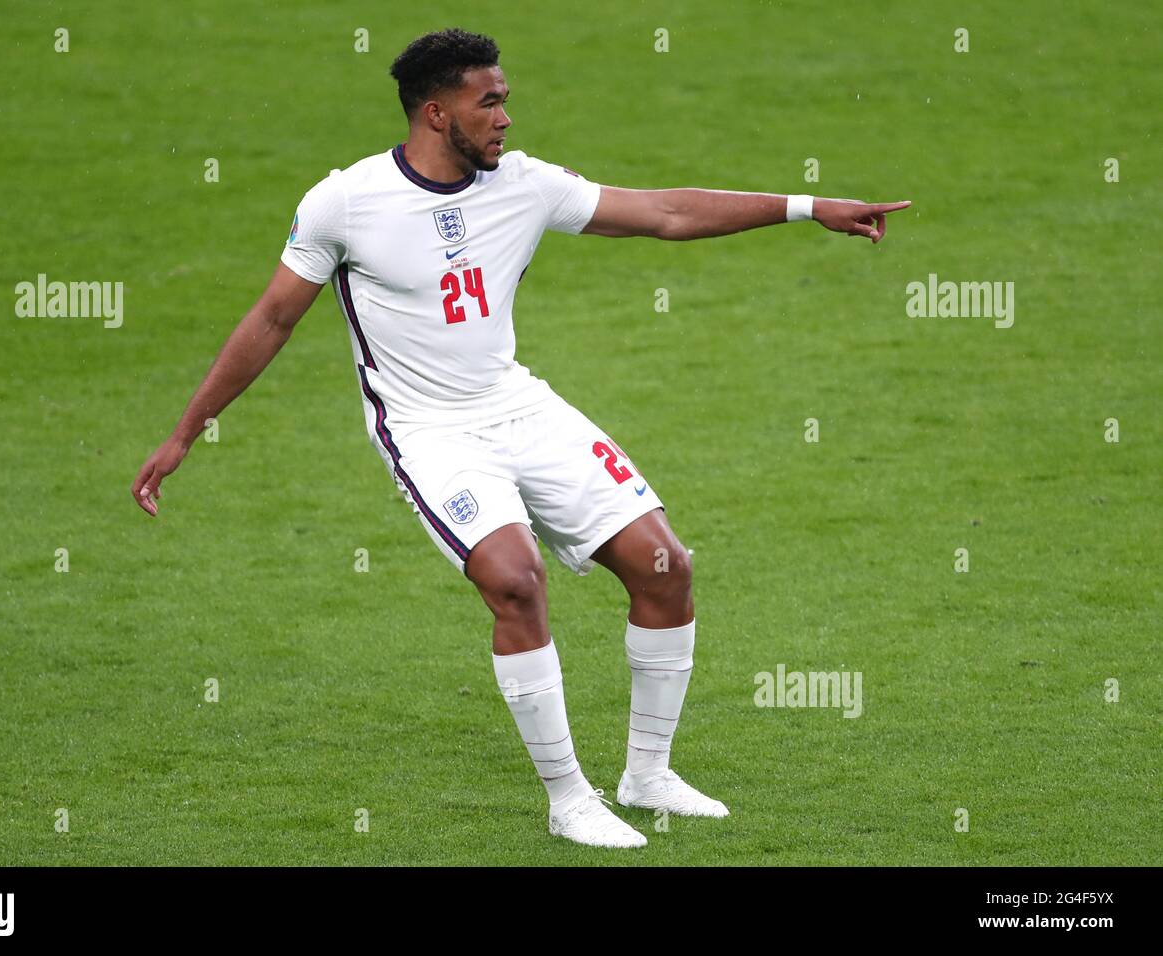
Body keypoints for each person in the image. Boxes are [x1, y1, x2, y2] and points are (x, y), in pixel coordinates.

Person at [131, 27, 911, 848]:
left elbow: (667, 214)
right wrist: (188, 433)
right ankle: (568, 799)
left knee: (665, 566)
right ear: (437, 113)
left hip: (518, 406)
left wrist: (806, 207)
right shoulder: (346, 203)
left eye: (505, 98)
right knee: (515, 579)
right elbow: (272, 317)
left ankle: (648, 774)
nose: (506, 117)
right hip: (429, 432)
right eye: (489, 101)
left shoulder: (526, 184)